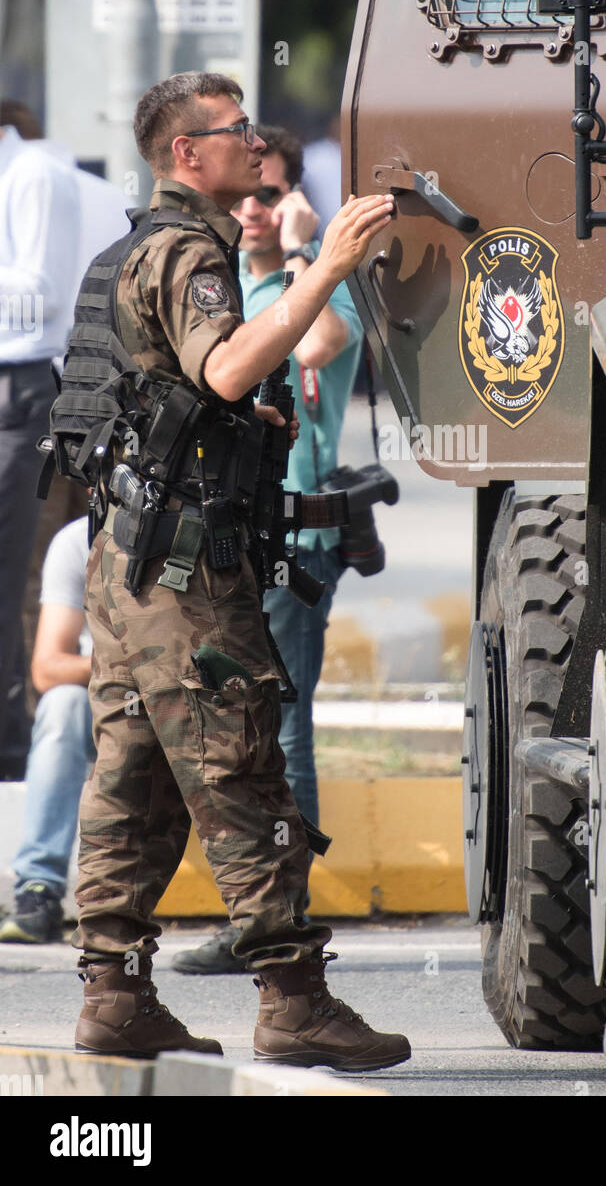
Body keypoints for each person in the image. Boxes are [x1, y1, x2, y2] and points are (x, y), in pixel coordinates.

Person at [69, 70, 408, 1070]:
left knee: (130, 775)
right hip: (184, 571)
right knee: (242, 768)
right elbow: (222, 367)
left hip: (128, 564)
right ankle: (293, 997)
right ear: (188, 153)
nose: (257, 147)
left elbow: (163, 395)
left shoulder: (128, 246)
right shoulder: (186, 250)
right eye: (236, 132)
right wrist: (325, 265)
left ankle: (114, 994)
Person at [173, 124, 362, 975]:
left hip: (296, 536)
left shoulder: (315, 281)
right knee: (236, 724)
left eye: (272, 195)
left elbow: (317, 344)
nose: (253, 210)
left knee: (281, 727)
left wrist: (303, 253)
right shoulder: (216, 282)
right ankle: (264, 913)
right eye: (248, 196)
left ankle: (283, 916)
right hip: (228, 536)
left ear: (294, 200)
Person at [0, 117, 80, 779]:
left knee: (13, 579)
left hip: (19, 389)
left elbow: (39, 297)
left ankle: (10, 746)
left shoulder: (32, 174)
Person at [0, 517, 94, 944]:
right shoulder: (80, 539)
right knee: (61, 704)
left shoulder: (200, 523)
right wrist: (131, 669)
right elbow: (47, 667)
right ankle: (38, 888)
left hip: (186, 695)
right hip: (113, 693)